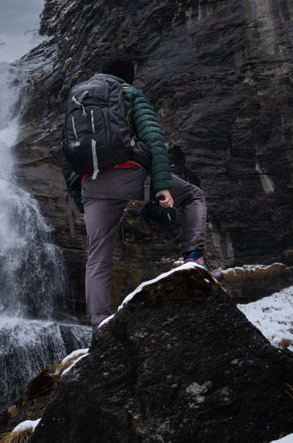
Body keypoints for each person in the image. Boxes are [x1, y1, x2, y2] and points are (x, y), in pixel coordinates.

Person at [62, 53, 222, 328]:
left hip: (92, 185)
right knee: (193, 195)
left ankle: (99, 322)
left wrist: (80, 204)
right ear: (127, 77)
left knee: (99, 256)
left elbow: (66, 156)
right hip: (129, 175)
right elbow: (154, 140)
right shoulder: (129, 95)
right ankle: (195, 261)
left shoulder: (78, 100)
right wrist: (161, 187)